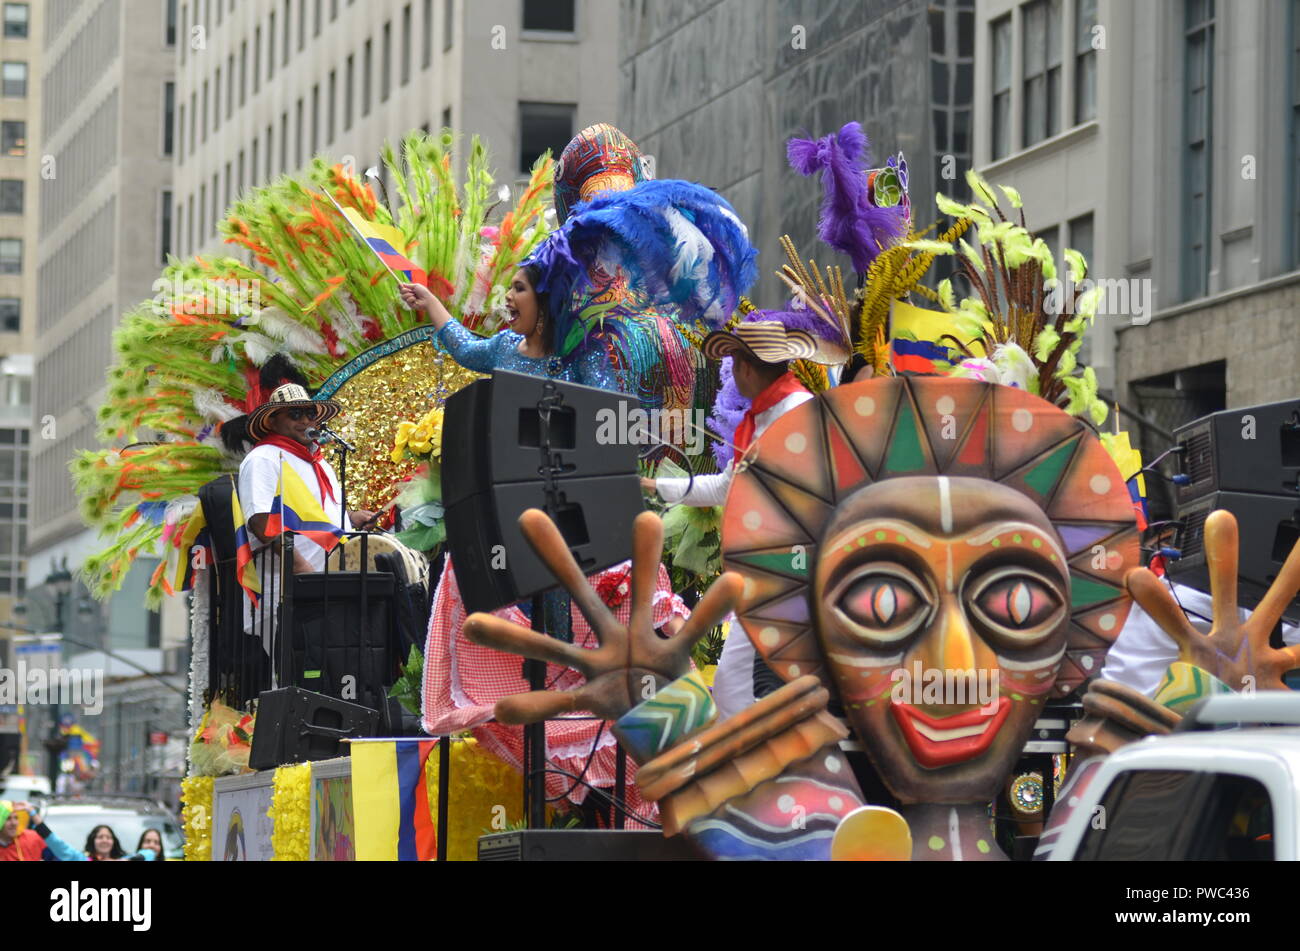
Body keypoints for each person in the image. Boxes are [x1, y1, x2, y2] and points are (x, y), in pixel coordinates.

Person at [642, 313, 837, 719]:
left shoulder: (795, 413)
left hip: (789, 573)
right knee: (745, 689)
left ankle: (755, 774)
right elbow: (729, 487)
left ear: (746, 368)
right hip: (770, 571)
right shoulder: (769, 415)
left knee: (736, 688)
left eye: (733, 365)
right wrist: (657, 487)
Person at [238, 382, 378, 577]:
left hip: (331, 580)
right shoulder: (264, 458)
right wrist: (301, 569)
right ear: (272, 422)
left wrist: (351, 518)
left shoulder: (318, 461)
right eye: (295, 414)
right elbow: (262, 522)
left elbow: (316, 510)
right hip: (290, 587)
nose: (305, 420)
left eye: (310, 413)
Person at [399, 264, 617, 388]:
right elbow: (465, 349)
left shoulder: (583, 354)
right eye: (510, 288)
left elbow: (607, 424)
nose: (508, 297)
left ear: (544, 301)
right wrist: (430, 301)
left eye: (519, 289)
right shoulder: (505, 345)